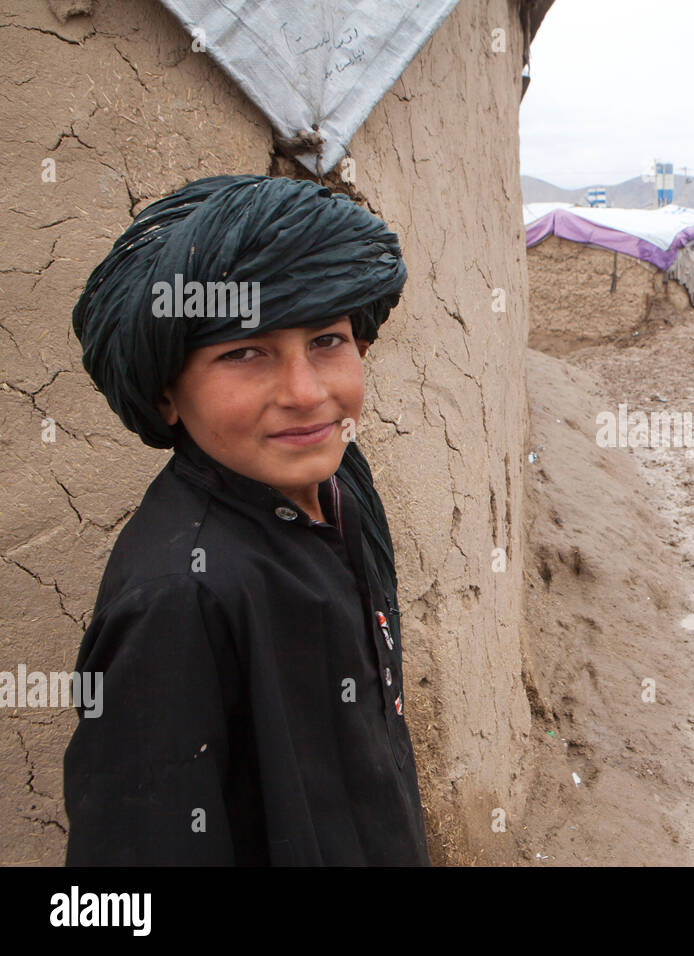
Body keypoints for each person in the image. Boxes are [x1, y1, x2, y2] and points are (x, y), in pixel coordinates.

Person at [64, 175, 430, 865]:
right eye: (244, 353)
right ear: (166, 393)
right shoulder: (180, 598)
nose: (305, 392)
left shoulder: (342, 482)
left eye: (327, 339)